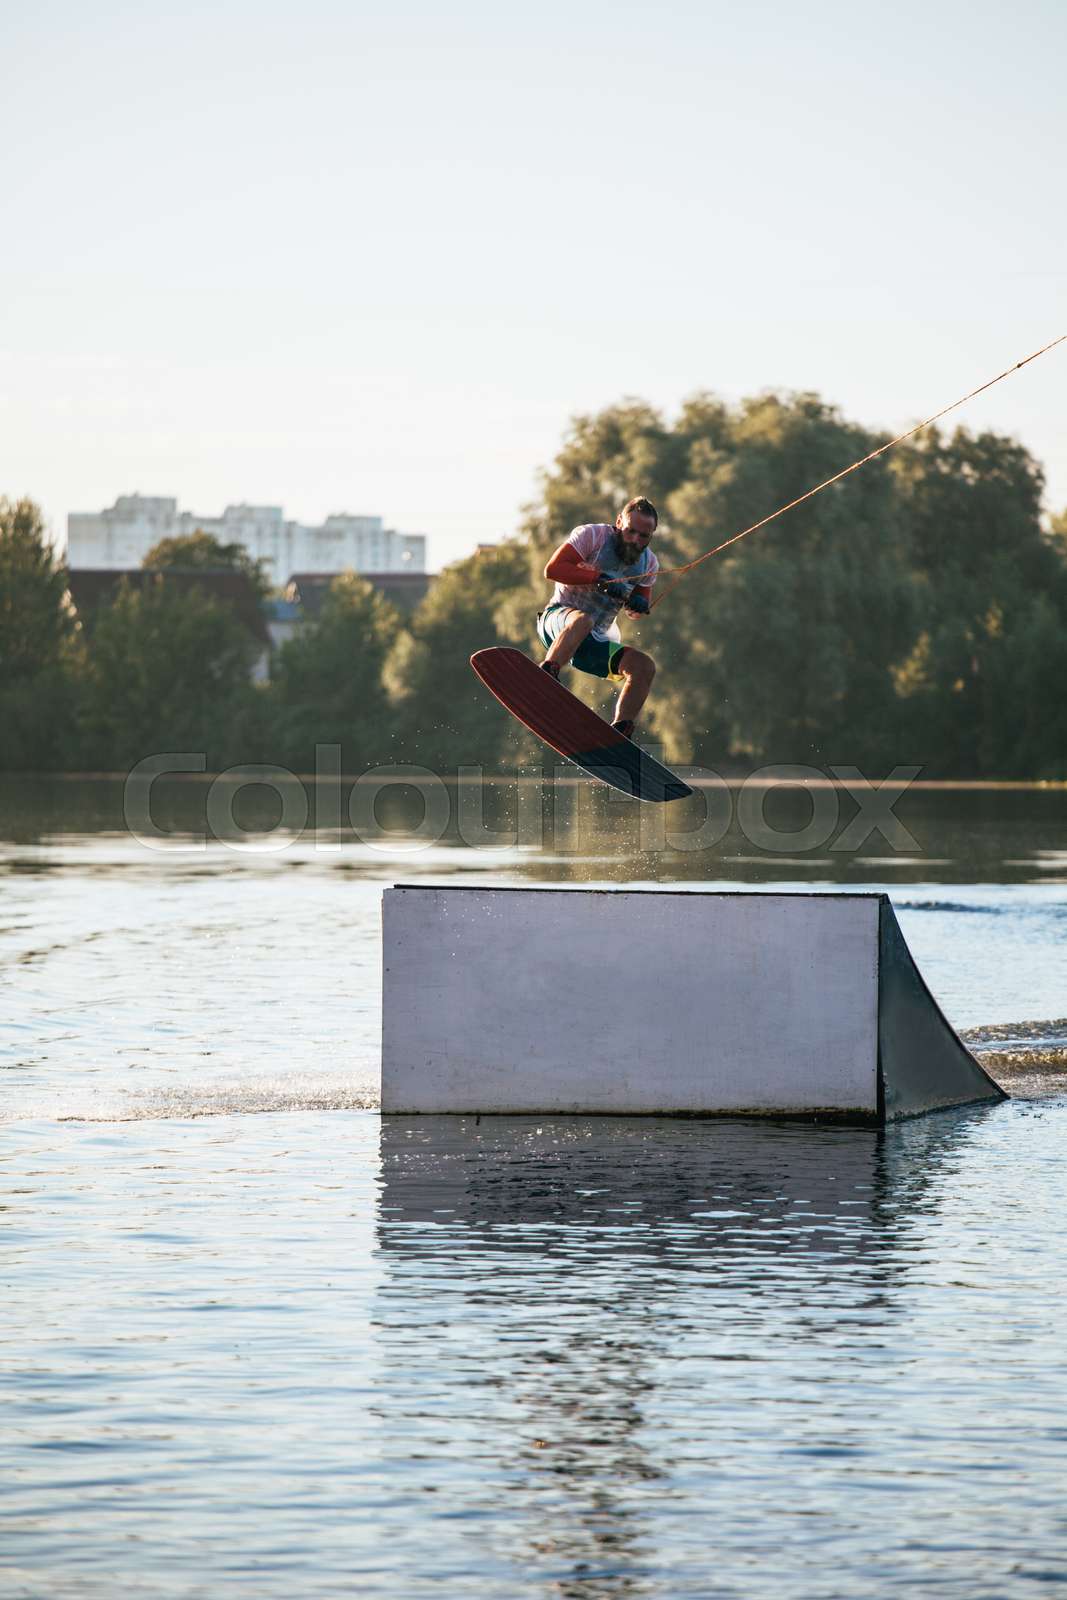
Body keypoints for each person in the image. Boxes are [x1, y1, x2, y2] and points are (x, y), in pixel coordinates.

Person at [537, 497, 659, 738]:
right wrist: (596, 578)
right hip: (558, 623)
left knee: (644, 667)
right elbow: (552, 569)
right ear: (618, 523)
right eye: (630, 531)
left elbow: (635, 612)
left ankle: (620, 732)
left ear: (652, 535)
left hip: (593, 642)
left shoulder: (649, 563)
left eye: (643, 536)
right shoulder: (593, 536)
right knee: (583, 621)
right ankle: (546, 676)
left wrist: (639, 604)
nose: (635, 540)